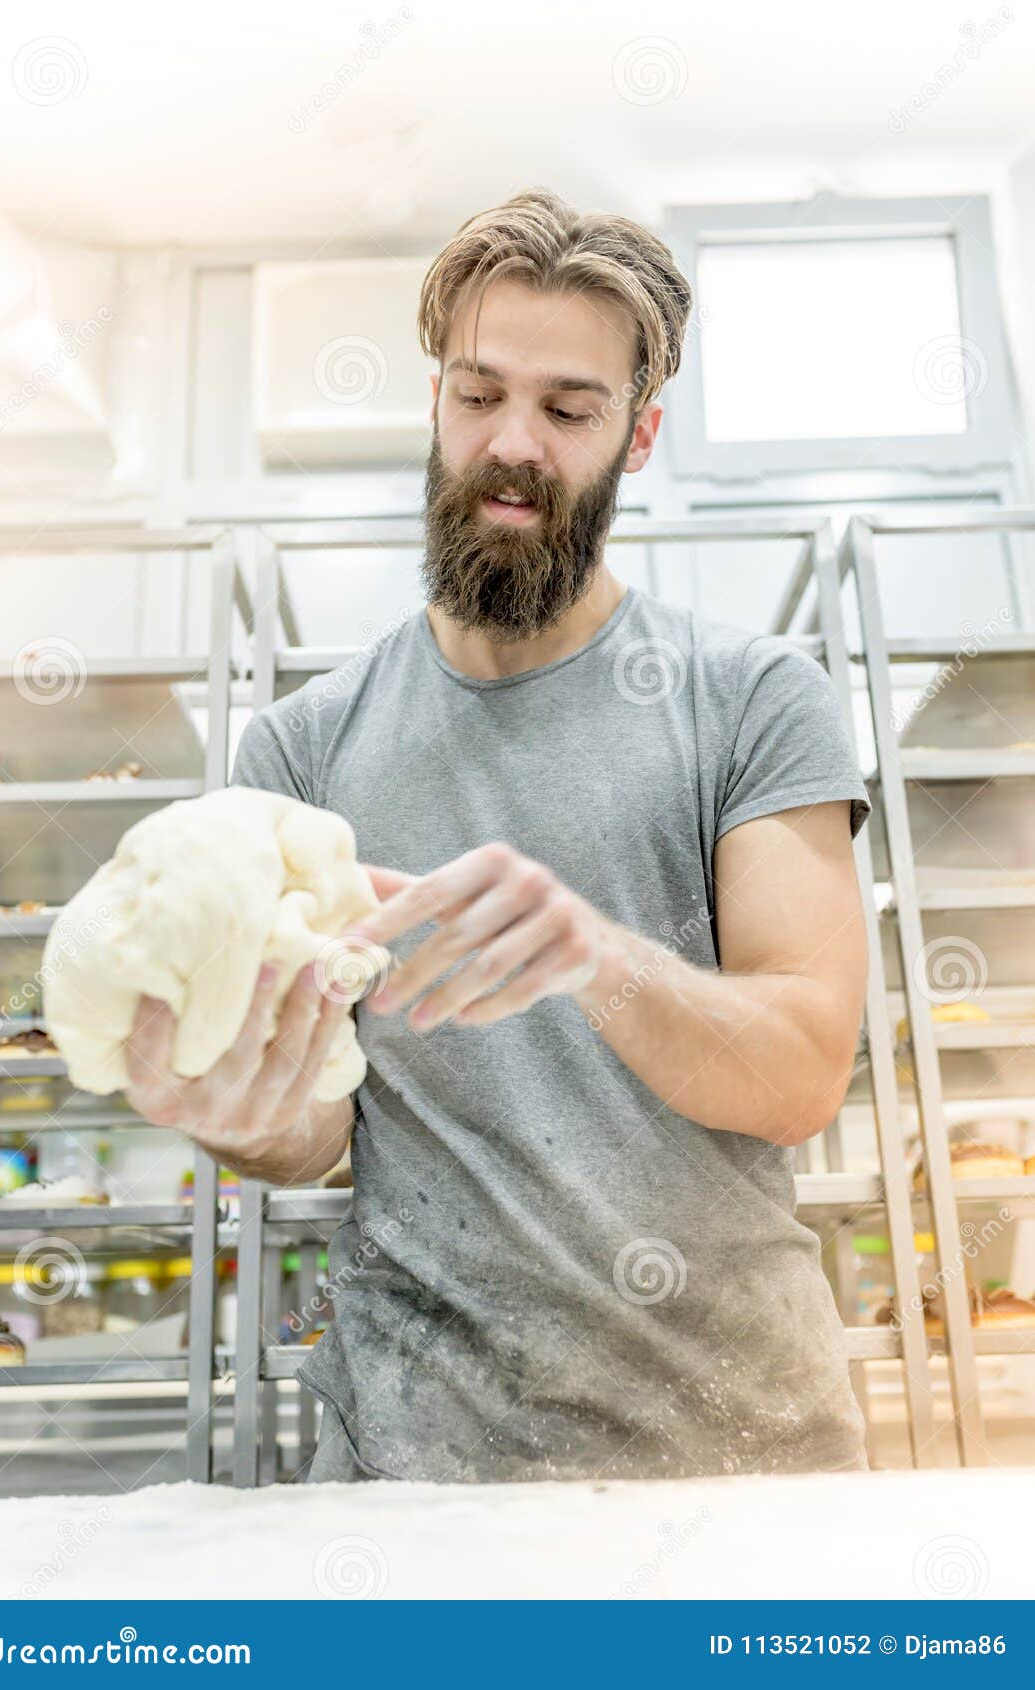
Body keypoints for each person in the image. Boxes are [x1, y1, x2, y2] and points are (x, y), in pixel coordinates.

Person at [125, 188, 871, 1484]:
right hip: (417, 1474)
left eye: (568, 409)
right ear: (432, 403)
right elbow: (314, 1130)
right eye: (479, 394)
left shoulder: (753, 698)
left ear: (636, 437)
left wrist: (597, 956)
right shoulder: (299, 753)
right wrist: (234, 1111)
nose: (511, 442)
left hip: (739, 1452)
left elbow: (804, 1067)